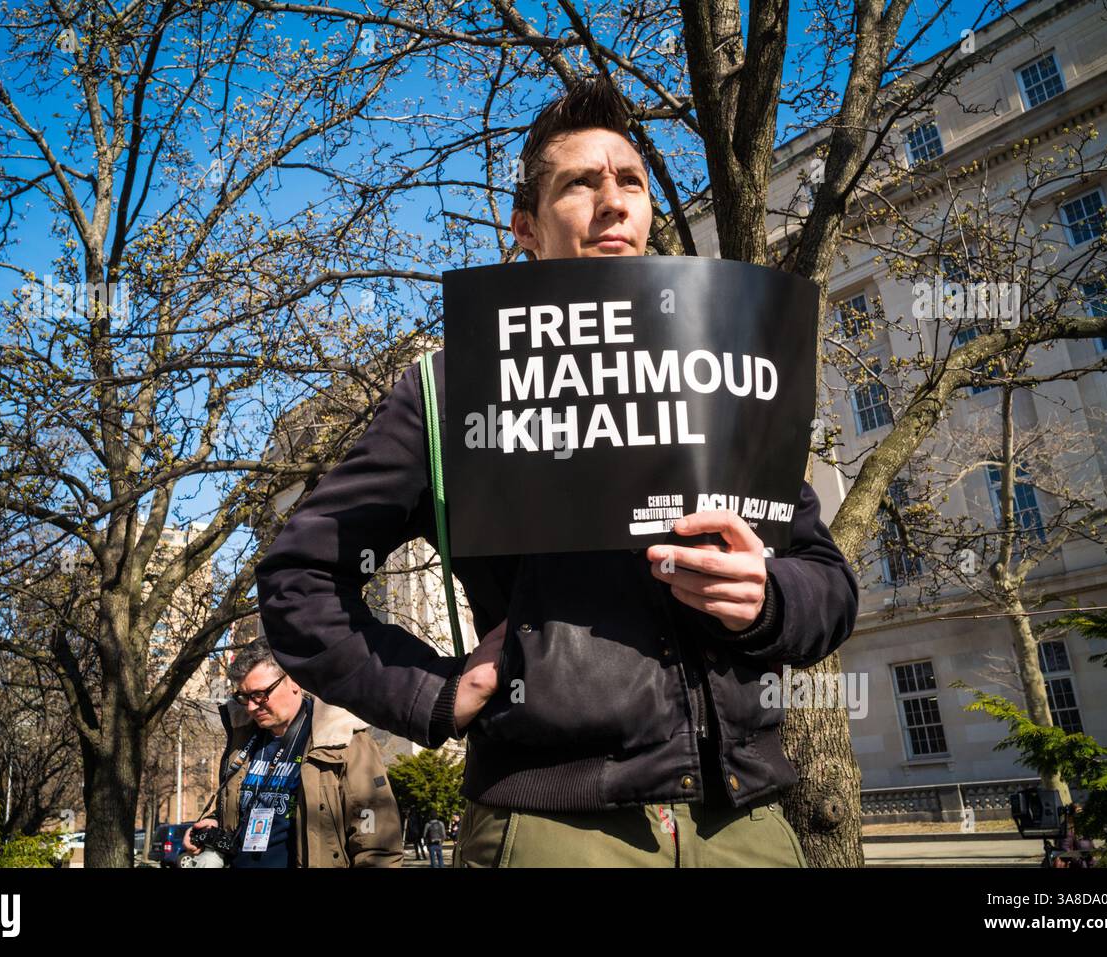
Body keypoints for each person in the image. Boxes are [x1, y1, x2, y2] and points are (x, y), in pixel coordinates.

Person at [254, 75, 859, 867]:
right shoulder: (456, 390)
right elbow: (298, 578)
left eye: (631, 182)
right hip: (553, 830)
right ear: (526, 229)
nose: (614, 201)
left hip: (745, 824)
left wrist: (769, 597)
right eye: (581, 183)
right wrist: (432, 692)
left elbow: (830, 584)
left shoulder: (720, 377)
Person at [183, 637, 403, 867]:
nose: (251, 706)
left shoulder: (342, 740)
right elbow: (232, 808)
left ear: (294, 681)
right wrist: (211, 822)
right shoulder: (244, 738)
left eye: (260, 694)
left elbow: (378, 847)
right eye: (245, 696)